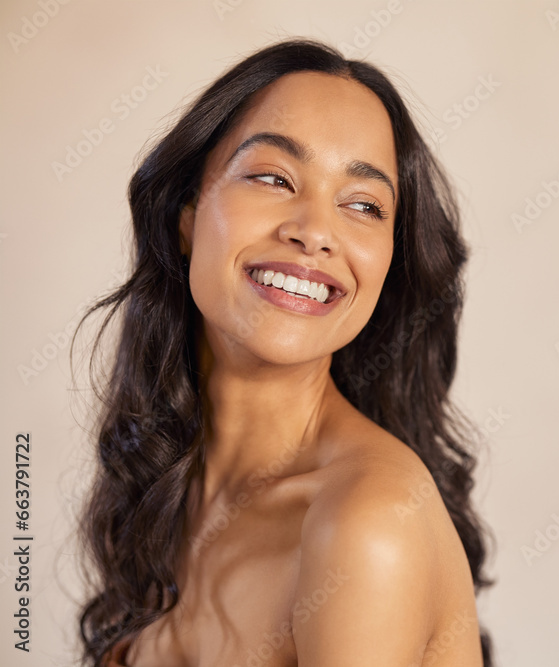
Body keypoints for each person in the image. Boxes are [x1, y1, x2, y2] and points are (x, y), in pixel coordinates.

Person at [73, 38, 493, 666]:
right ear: (187, 215)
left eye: (363, 205)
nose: (316, 232)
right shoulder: (167, 489)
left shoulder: (366, 523)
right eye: (273, 177)